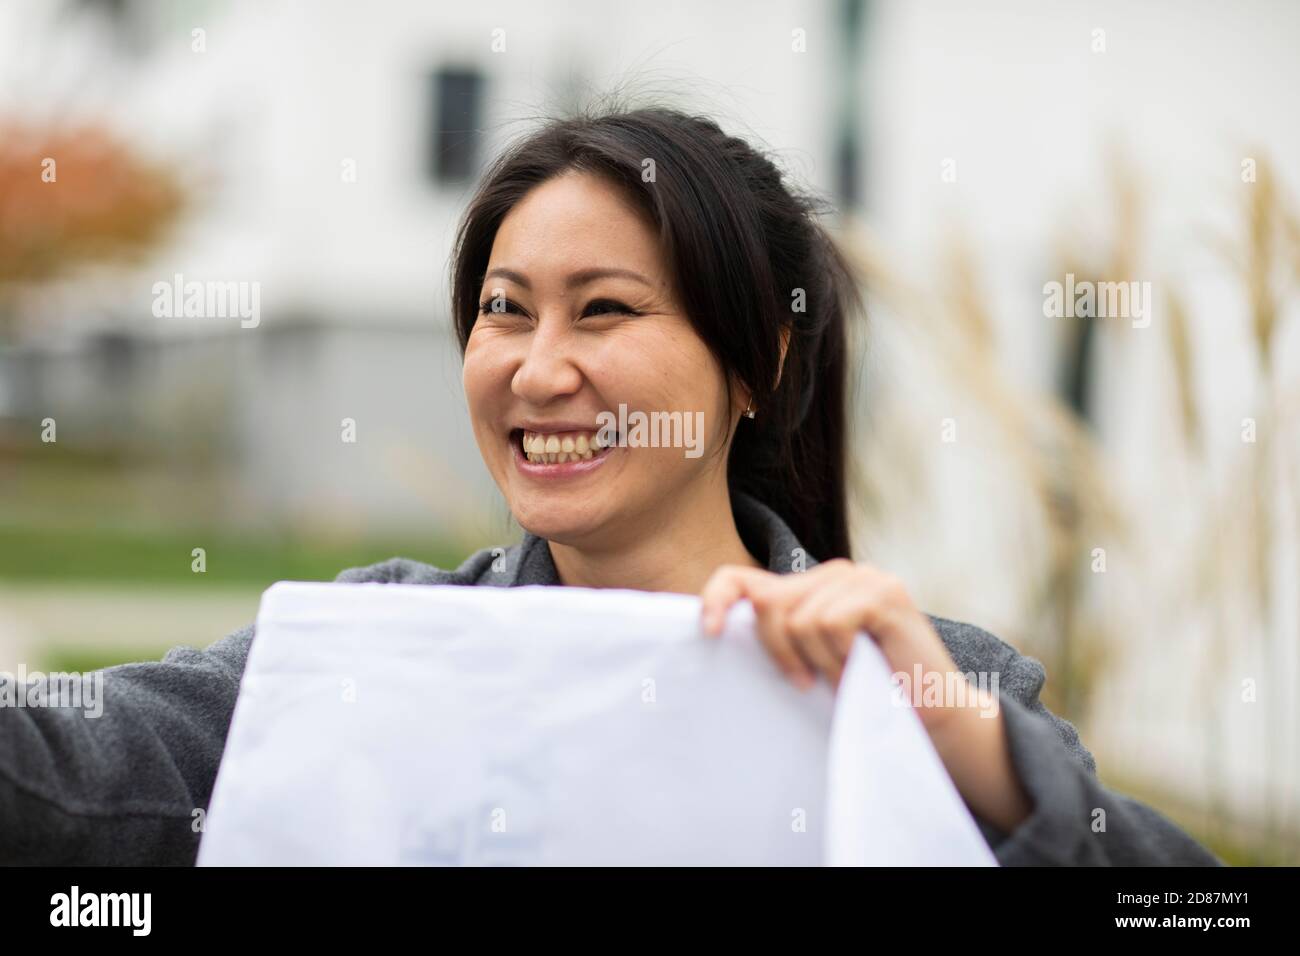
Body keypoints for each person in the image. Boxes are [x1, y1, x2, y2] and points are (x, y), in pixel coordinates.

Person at [0, 106, 1221, 866]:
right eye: (502, 311)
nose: (539, 369)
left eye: (606, 310)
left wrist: (968, 749)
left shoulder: (930, 681)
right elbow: (62, 770)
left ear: (760, 359)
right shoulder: (383, 651)